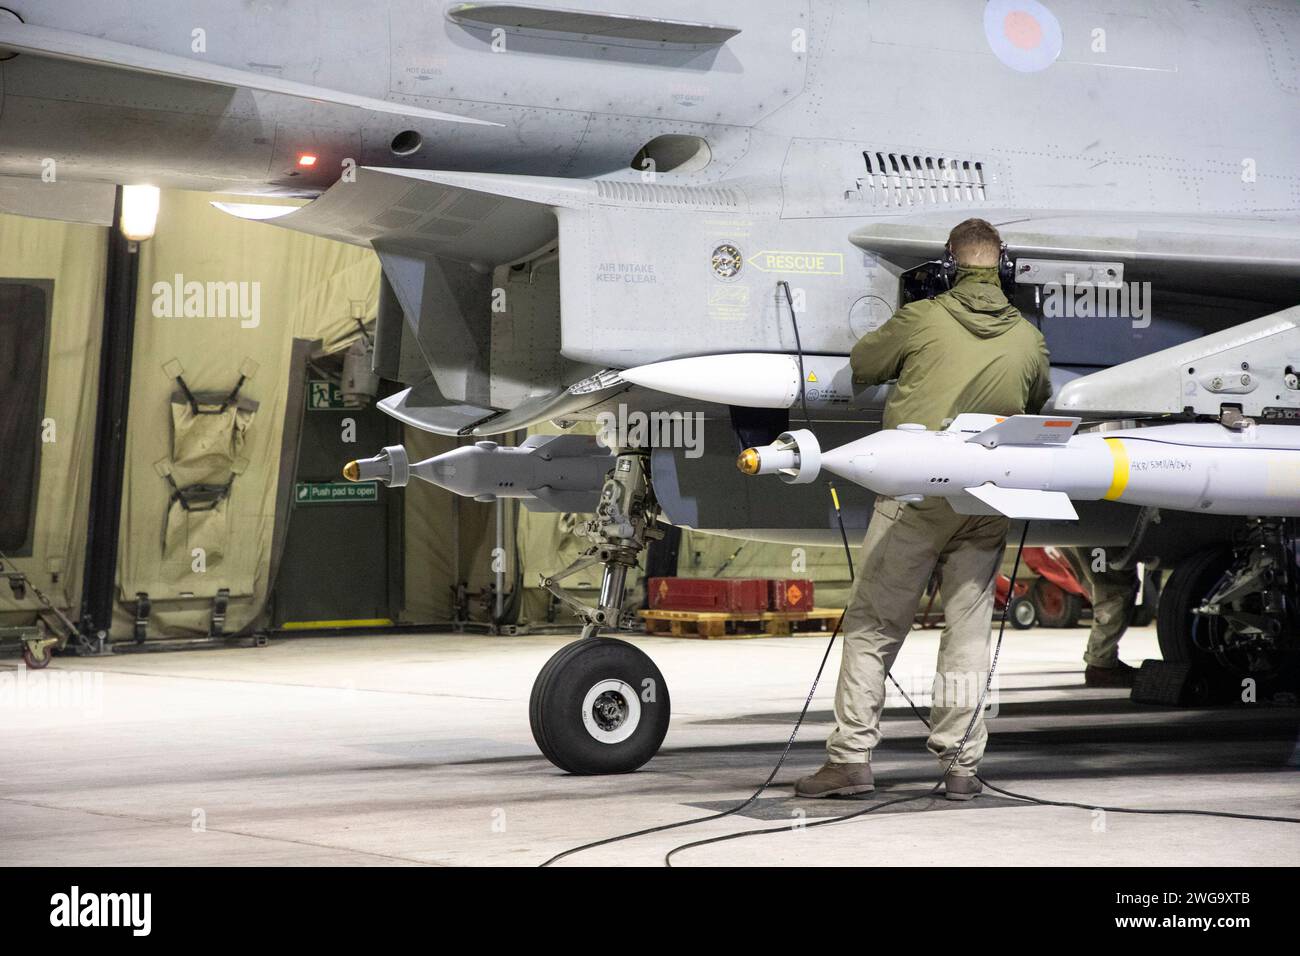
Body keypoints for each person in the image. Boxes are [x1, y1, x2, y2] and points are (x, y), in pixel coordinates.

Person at [795, 218, 1052, 801]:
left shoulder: (924, 317)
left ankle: (852, 759)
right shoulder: (1027, 338)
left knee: (874, 625)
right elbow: (1038, 401)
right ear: (1003, 265)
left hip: (918, 496)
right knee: (968, 630)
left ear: (948, 263)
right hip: (988, 496)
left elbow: (864, 364)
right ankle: (961, 767)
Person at [1061, 546, 1140, 687]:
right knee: (1114, 584)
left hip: (1067, 527)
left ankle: (1100, 662)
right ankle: (1101, 665)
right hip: (1098, 528)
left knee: (1096, 580)